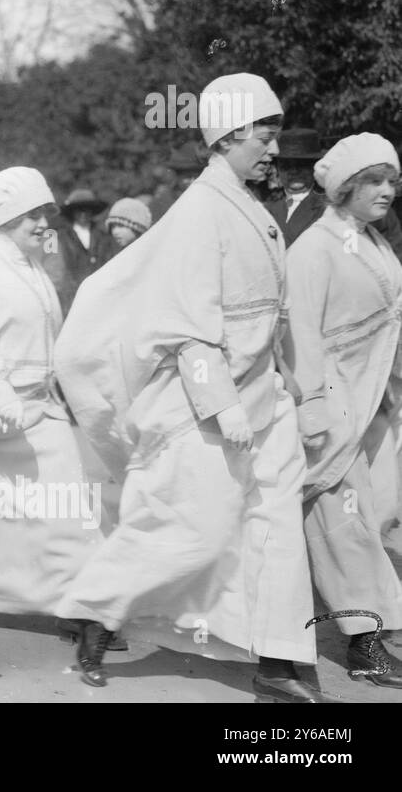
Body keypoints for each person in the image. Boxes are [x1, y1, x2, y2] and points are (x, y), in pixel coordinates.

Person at [52, 73, 318, 702]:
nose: (274, 147)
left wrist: (289, 377)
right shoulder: (201, 212)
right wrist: (222, 407)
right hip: (207, 407)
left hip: (266, 401)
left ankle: (280, 662)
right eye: (263, 132)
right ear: (225, 136)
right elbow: (186, 329)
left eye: (276, 131)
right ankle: (95, 610)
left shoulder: (252, 208)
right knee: (190, 533)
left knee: (278, 528)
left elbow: (267, 316)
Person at [0, 167, 102, 617]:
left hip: (41, 413)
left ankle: (83, 607)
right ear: (5, 221)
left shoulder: (33, 268)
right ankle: (50, 602)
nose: (43, 225)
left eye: (45, 214)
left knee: (67, 516)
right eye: (32, 216)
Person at [285, 134, 402, 688]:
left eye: (392, 180)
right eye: (375, 181)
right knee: (346, 527)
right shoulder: (313, 249)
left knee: (378, 522)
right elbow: (300, 335)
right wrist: (312, 410)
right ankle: (364, 647)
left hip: (377, 404)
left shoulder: (372, 241)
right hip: (334, 408)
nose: (387, 190)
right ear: (346, 186)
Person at [266, 127, 402, 255]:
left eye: (301, 165)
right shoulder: (266, 210)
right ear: (277, 168)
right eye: (286, 166)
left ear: (313, 166)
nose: (294, 171)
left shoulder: (341, 207)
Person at [44, 188, 114, 315]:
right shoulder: (55, 236)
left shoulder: (104, 237)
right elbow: (50, 269)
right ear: (72, 212)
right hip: (70, 301)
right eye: (79, 209)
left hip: (100, 299)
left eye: (87, 209)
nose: (83, 213)